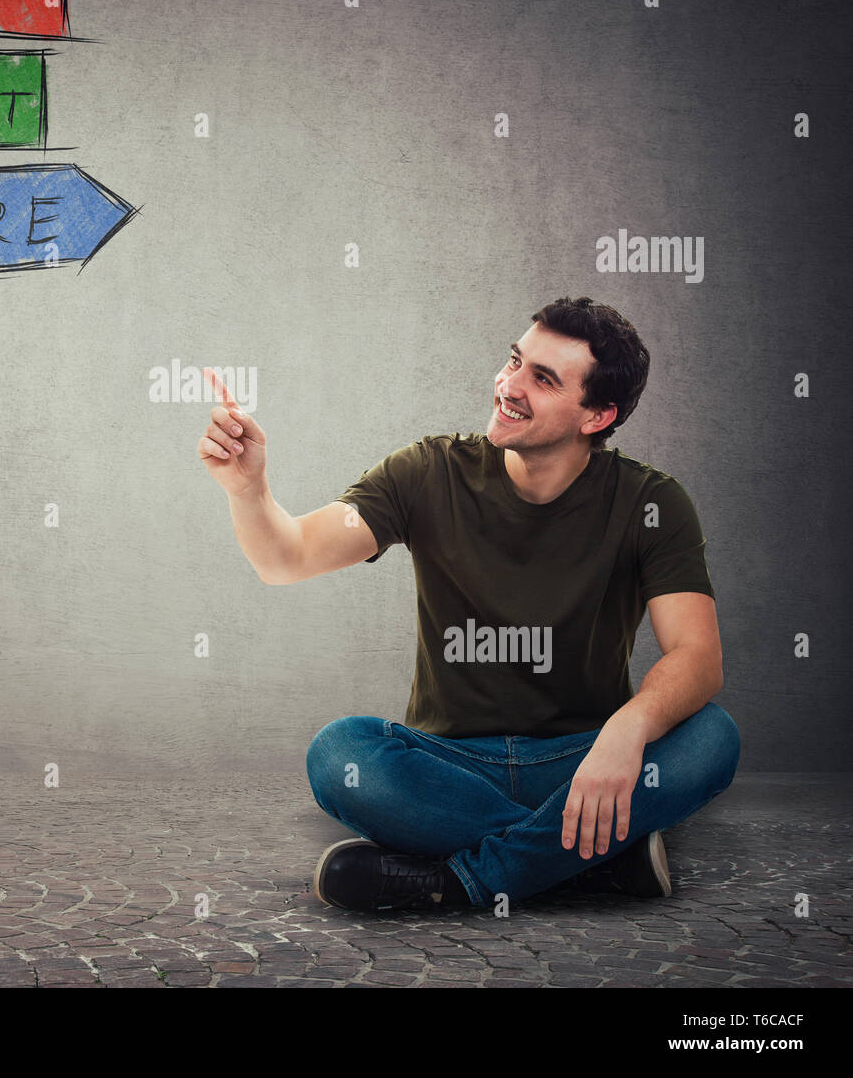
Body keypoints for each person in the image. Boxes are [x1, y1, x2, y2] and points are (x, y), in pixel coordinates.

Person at [198, 297, 740, 913]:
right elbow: (285, 557)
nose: (509, 386)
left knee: (712, 736)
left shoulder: (652, 502)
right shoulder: (426, 472)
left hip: (583, 761)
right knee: (340, 753)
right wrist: (249, 490)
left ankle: (458, 879)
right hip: (447, 769)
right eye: (515, 360)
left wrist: (627, 729)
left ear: (598, 415)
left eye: (542, 379)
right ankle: (591, 861)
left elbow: (697, 657)